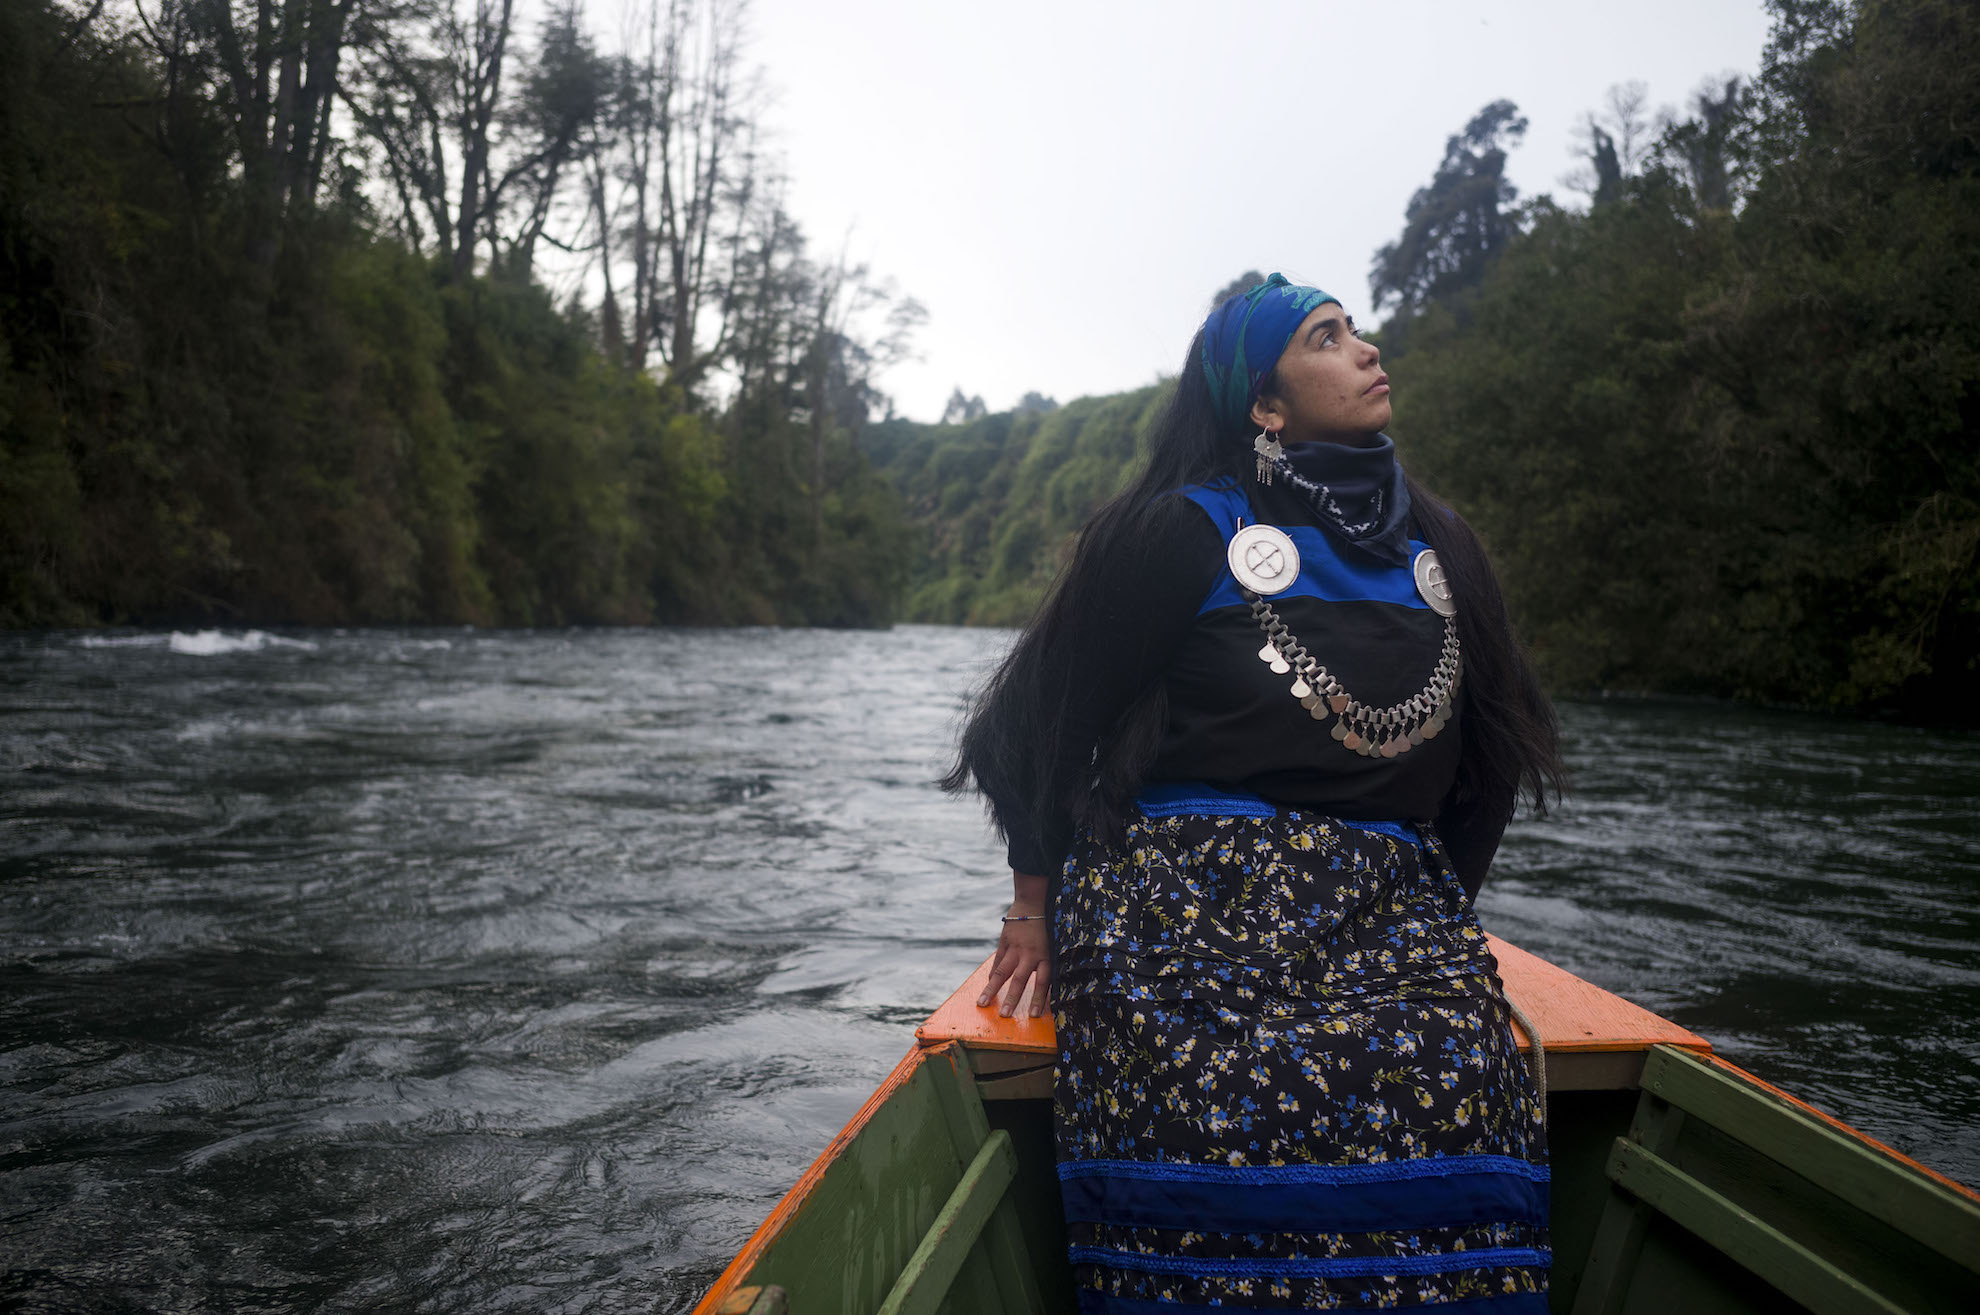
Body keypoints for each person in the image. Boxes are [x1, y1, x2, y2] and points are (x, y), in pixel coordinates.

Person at [942, 273, 1566, 1311]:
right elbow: (1031, 729)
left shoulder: (1445, 547)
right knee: (1213, 1096)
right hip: (1178, 910)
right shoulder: (1175, 532)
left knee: (1459, 1069)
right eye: (1327, 337)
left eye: (1357, 329)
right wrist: (1032, 906)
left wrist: (1428, 918)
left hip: (1385, 913)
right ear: (1263, 405)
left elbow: (1494, 760)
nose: (1366, 349)